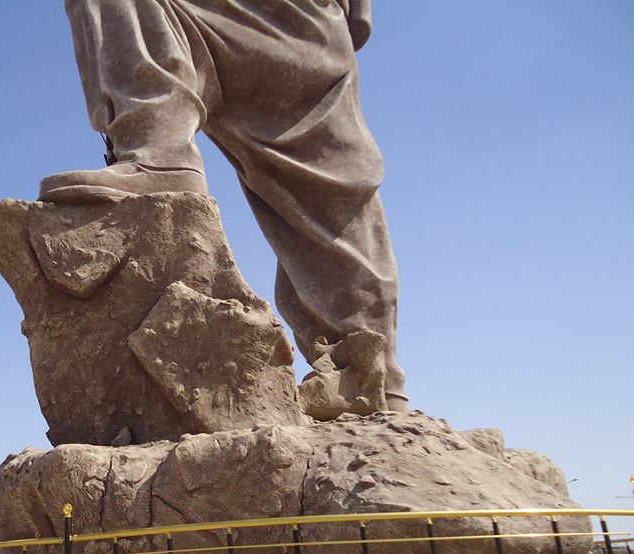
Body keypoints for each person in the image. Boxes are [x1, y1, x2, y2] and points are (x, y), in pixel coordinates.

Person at [40, 0, 407, 410]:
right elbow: (360, 24)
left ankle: (157, 144)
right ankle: (374, 381)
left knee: (335, 201)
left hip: (289, 27)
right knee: (335, 203)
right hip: (316, 30)